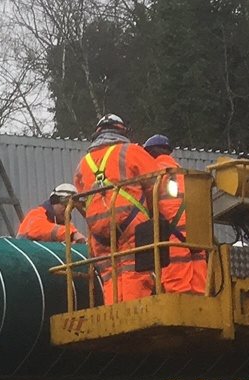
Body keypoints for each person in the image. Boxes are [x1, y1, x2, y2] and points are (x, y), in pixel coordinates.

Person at [73, 114, 164, 302]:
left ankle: (114, 318)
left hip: (98, 232)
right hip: (131, 224)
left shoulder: (83, 164)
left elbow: (81, 199)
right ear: (122, 131)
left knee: (109, 276)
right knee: (135, 272)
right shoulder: (132, 151)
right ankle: (133, 318)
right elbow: (157, 186)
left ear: (97, 133)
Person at [145, 134, 207, 295]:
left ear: (151, 152)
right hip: (196, 236)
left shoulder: (153, 173)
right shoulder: (184, 174)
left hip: (173, 236)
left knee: (176, 287)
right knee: (200, 284)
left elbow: (145, 205)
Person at [17, 184, 84, 244]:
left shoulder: (65, 224)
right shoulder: (35, 215)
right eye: (65, 205)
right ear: (54, 202)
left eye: (71, 208)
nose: (68, 210)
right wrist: (71, 234)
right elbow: (40, 228)